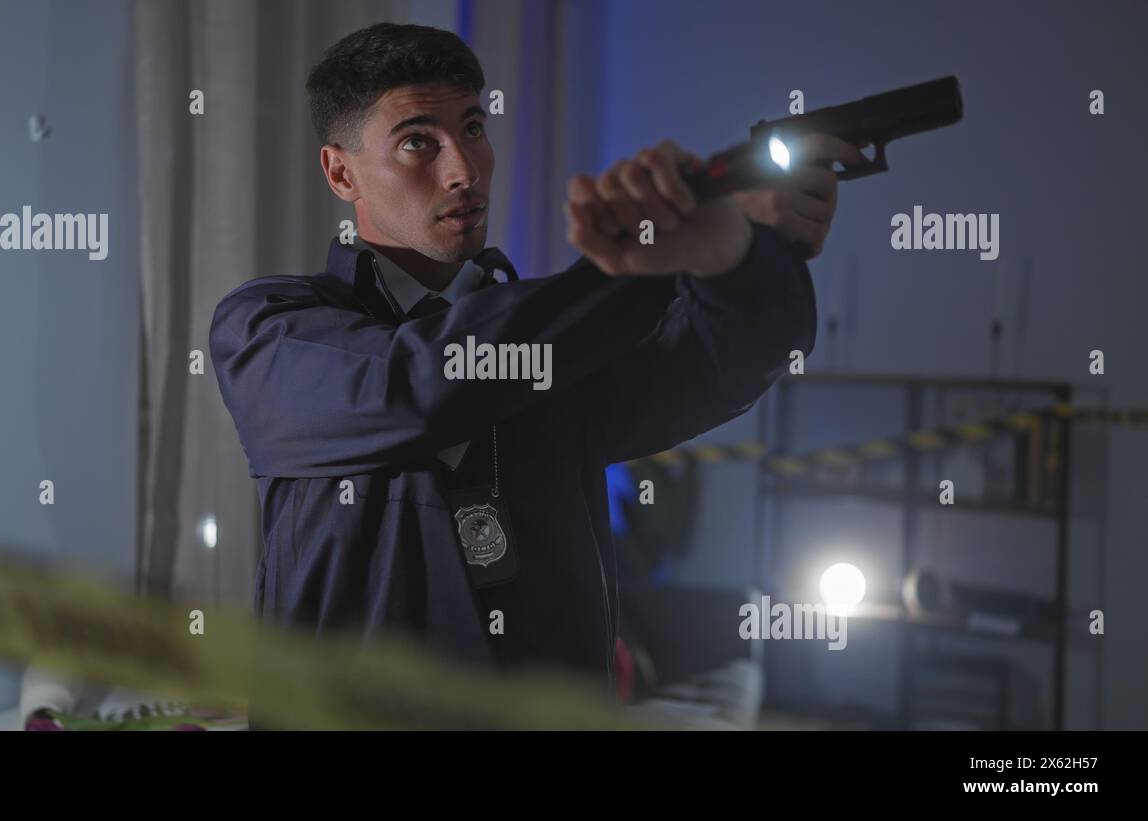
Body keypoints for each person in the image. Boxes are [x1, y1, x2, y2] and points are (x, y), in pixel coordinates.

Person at [209, 23, 863, 696]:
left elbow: (722, 363)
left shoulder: (563, 341)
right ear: (340, 171)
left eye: (471, 128)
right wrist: (646, 265)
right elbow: (418, 382)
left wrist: (736, 256)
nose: (463, 169)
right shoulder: (266, 328)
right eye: (417, 143)